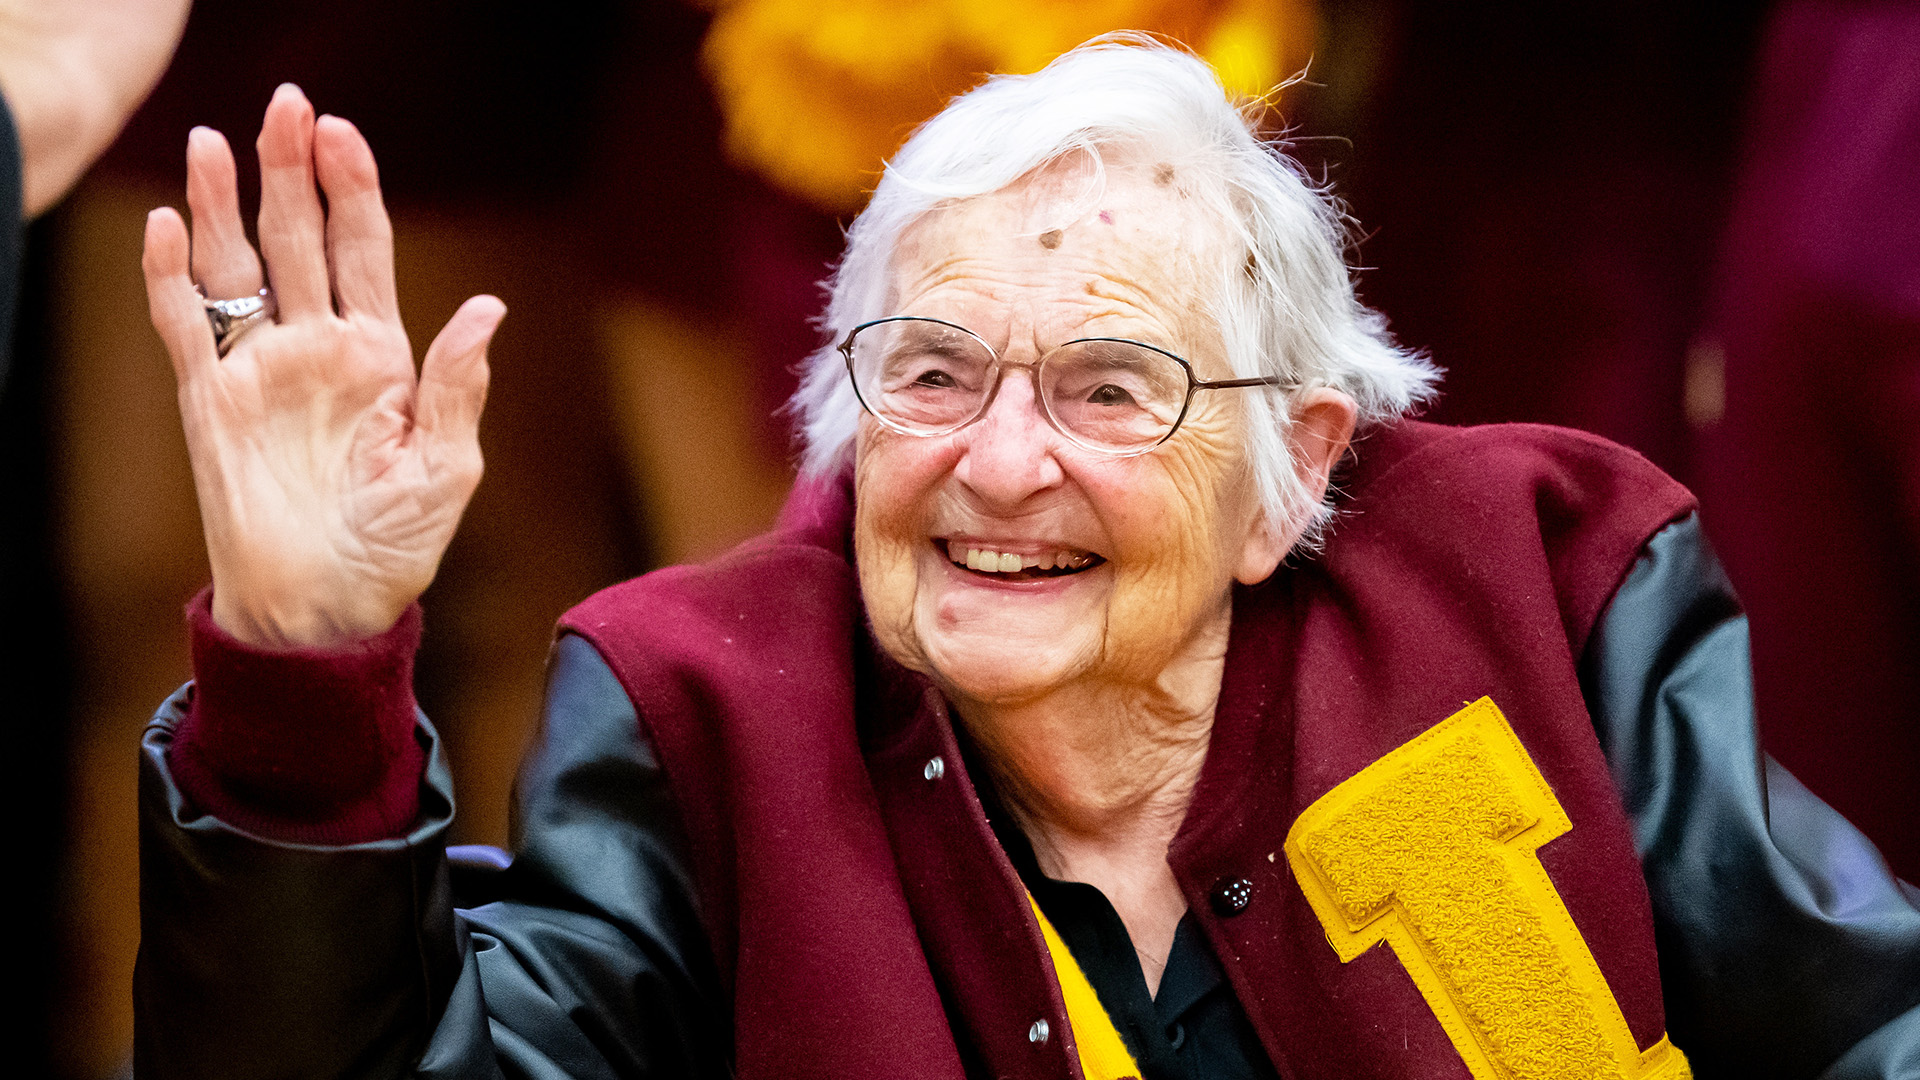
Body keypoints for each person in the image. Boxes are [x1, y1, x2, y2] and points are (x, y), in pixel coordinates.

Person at [135, 38, 1920, 1080]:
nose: (1000, 464)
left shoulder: (1540, 584)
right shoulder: (708, 714)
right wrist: (304, 661)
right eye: (931, 373)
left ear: (1290, 469)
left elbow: (1859, 1034)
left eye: (1109, 387)